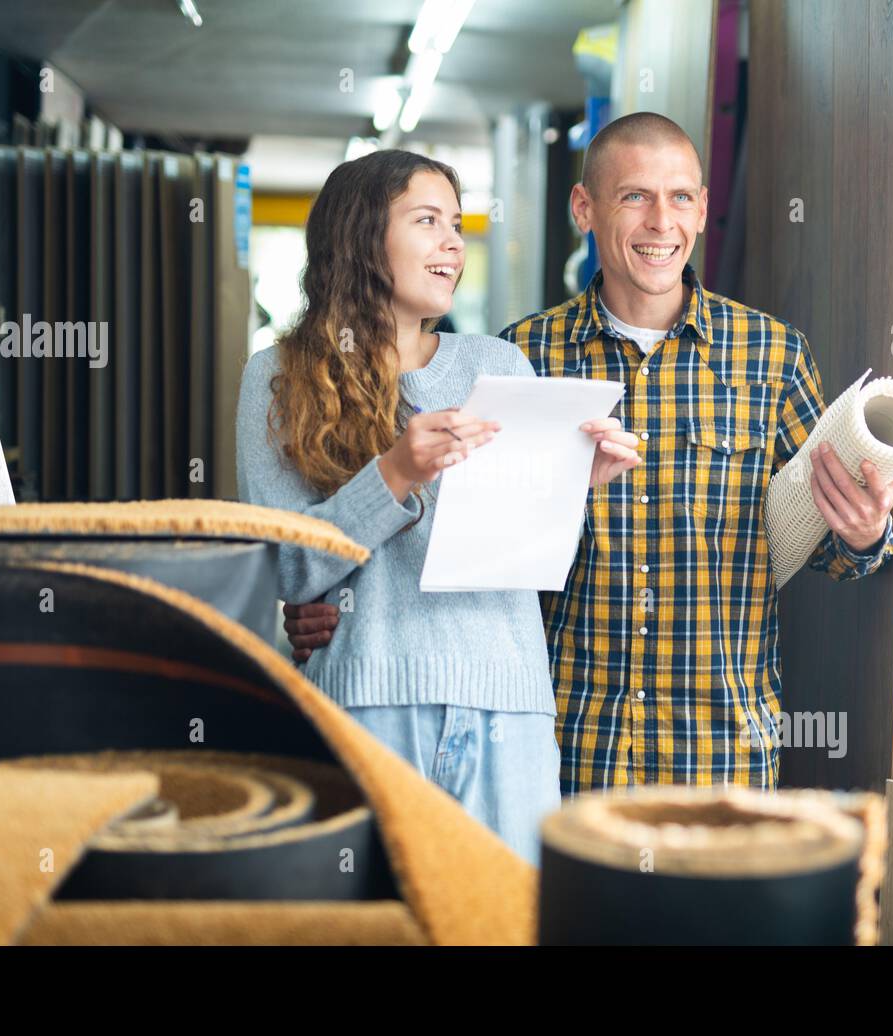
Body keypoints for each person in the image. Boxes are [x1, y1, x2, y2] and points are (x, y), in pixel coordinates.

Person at [286, 113, 893, 797]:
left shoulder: (772, 355)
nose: (660, 223)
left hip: (721, 746)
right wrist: (336, 597)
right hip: (565, 742)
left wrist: (864, 532)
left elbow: (815, 539)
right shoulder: (522, 356)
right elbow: (469, 540)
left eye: (680, 198)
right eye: (634, 197)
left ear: (703, 210)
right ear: (584, 208)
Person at [235, 149, 639, 862]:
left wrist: (573, 483)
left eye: (456, 223)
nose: (454, 242)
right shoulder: (275, 378)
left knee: (506, 927)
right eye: (427, 221)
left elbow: (524, 554)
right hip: (364, 704)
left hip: (508, 707)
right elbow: (285, 568)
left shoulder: (497, 366)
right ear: (362, 238)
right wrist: (393, 473)